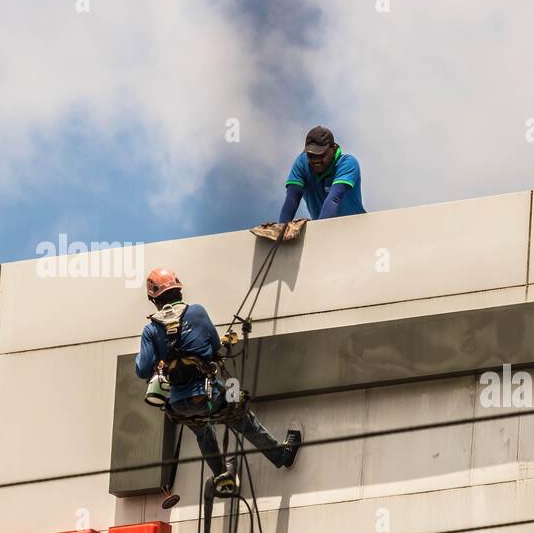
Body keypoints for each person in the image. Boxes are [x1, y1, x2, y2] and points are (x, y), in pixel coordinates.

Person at [135, 267, 301, 495]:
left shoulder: (151, 329)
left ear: (153, 299)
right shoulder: (197, 313)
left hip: (177, 405)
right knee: (242, 418)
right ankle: (282, 455)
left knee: (202, 431)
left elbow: (142, 370)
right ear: (179, 292)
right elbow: (214, 348)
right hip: (207, 395)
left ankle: (223, 475)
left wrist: (158, 355)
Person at [279, 125, 366, 223]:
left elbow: (334, 198)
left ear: (333, 149)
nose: (316, 160)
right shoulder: (302, 164)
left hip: (356, 228)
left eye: (321, 154)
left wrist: (320, 230)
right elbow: (292, 198)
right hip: (327, 229)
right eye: (311, 155)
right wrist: (281, 229)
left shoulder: (347, 163)